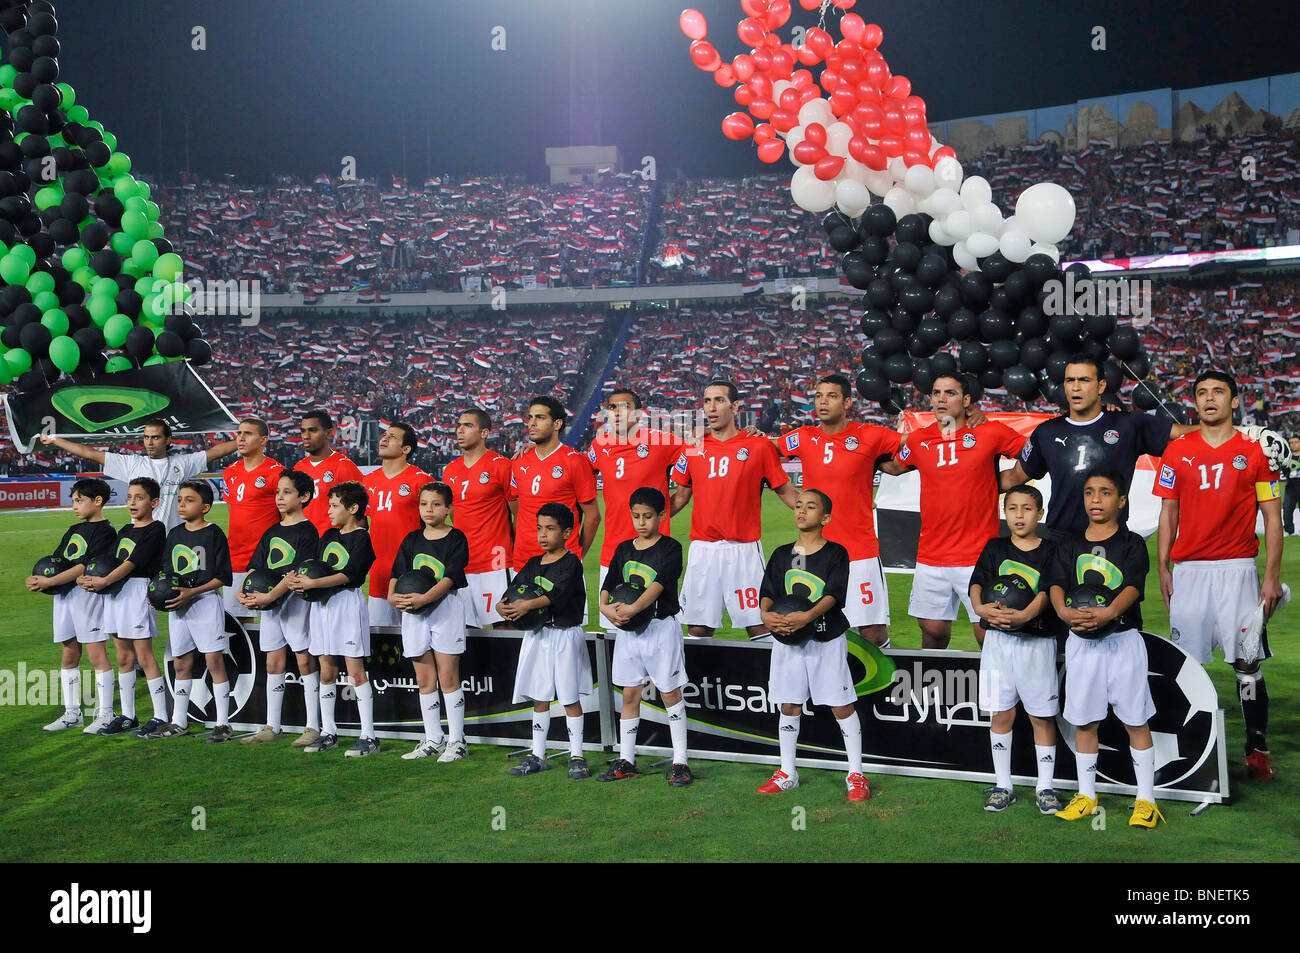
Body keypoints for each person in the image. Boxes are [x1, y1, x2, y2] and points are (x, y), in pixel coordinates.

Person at [1155, 371, 1284, 780]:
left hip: (1238, 572)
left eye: (1218, 392)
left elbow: (1273, 518)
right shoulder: (1176, 451)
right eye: (1202, 393)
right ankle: (1186, 751)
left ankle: (1256, 748)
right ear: (1195, 402)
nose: (1210, 399)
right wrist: (1163, 565)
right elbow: (1168, 512)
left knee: (1247, 663)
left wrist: (1270, 577)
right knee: (1183, 665)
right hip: (1189, 572)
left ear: (1233, 401)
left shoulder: (1254, 453)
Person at [1049, 467, 1162, 829]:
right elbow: (1055, 583)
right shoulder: (1069, 543)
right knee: (1084, 720)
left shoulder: (1132, 543)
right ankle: (1087, 794)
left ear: (1122, 499)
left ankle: (1146, 800)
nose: (1095, 500)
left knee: (1135, 720)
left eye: (1105, 493)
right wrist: (1065, 613)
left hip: (1123, 640)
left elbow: (1132, 586)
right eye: (1089, 492)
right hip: (1082, 643)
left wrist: (1109, 613)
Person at [883, 374, 1025, 649]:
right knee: (932, 630)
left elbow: (1032, 454)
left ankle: (995, 691)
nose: (941, 399)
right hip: (931, 555)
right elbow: (893, 467)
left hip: (979, 554)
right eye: (936, 393)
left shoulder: (990, 433)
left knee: (988, 633)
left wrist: (1003, 481)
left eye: (950, 393)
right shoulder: (919, 440)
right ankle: (932, 688)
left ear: (967, 400)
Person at [755, 489, 869, 803]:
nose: (802, 510)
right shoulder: (781, 554)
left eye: (811, 506)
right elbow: (768, 589)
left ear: (826, 517)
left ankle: (856, 774)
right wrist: (766, 615)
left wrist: (806, 616)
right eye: (799, 505)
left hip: (825, 639)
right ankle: (787, 772)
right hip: (787, 641)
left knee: (841, 705)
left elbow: (834, 594)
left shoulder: (836, 553)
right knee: (789, 704)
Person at [999, 355, 1192, 537]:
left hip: (1112, 542)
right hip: (1061, 543)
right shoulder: (1046, 432)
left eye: (1084, 380)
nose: (1075, 387)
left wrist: (1220, 425)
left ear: (1101, 386)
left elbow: (1182, 434)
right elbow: (1013, 477)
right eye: (1070, 380)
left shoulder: (1127, 424)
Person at [776, 374, 901, 647]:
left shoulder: (869, 435)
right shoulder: (803, 437)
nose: (823, 401)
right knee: (817, 630)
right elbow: (763, 451)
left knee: (872, 632)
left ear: (847, 402)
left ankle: (880, 688)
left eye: (831, 396)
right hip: (815, 554)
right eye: (819, 396)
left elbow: (913, 447)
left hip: (859, 552)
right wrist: (794, 498)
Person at [670, 380, 799, 639]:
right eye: (707, 401)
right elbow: (681, 497)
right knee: (697, 628)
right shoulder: (694, 447)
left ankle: (765, 680)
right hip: (703, 550)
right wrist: (649, 521)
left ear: (735, 406)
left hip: (744, 550)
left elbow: (786, 492)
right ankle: (699, 681)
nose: (711, 407)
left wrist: (820, 514)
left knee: (760, 624)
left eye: (719, 400)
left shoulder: (758, 446)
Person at [968, 484, 1064, 814]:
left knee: (1041, 715)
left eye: (1027, 508)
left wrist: (1024, 615)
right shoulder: (995, 547)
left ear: (1040, 514)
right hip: (998, 643)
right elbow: (977, 582)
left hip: (1036, 643)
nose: (1019, 515)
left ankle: (1046, 786)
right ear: (1004, 512)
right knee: (1002, 712)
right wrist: (980, 609)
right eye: (1012, 508)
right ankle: (1003, 784)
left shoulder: (1051, 550)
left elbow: (1048, 590)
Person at [597, 487, 693, 786]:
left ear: (662, 516)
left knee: (669, 692)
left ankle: (681, 761)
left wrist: (633, 608)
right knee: (629, 693)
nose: (641, 522)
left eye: (648, 516)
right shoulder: (624, 548)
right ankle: (627, 759)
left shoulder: (671, 548)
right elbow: (610, 581)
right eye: (636, 516)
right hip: (628, 631)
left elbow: (661, 583)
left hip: (660, 628)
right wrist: (604, 607)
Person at [500, 503, 593, 779]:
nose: (542, 534)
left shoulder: (571, 563)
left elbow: (558, 597)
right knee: (540, 696)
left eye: (549, 529)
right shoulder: (532, 564)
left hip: (564, 635)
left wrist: (527, 606)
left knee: (568, 697)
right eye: (539, 528)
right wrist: (502, 607)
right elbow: (512, 592)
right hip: (538, 636)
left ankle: (577, 755)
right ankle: (537, 754)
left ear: (567, 532)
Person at [289, 481, 378, 757]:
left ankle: (369, 736)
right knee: (326, 671)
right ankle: (329, 731)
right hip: (321, 606)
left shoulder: (362, 538)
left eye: (334, 505)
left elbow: (350, 574)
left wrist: (314, 584)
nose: (329, 511)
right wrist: (298, 579)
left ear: (353, 508)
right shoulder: (328, 535)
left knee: (355, 671)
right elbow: (313, 567)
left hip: (346, 605)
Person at [236, 470, 323, 747]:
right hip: (269, 603)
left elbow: (298, 571)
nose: (280, 497)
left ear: (305, 496)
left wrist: (270, 596)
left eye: (287, 492)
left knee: (304, 659)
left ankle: (312, 726)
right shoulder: (272, 530)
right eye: (278, 492)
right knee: (273, 661)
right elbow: (255, 566)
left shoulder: (308, 531)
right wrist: (243, 591)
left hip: (294, 601)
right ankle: (272, 725)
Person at [587, 388, 685, 633]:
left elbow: (699, 457)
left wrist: (662, 515)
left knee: (657, 626)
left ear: (639, 413)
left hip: (655, 551)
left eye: (625, 406)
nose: (617, 413)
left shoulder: (661, 441)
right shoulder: (599, 445)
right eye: (612, 407)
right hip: (613, 551)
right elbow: (574, 468)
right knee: (615, 629)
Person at [77, 477, 169, 737]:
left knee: (145, 656)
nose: (132, 502)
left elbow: (132, 562)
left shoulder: (156, 529)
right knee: (123, 656)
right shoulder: (125, 531)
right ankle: (129, 715)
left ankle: (161, 714)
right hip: (116, 594)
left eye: (139, 498)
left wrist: (104, 580)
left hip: (137, 592)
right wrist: (89, 576)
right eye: (129, 497)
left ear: (154, 502)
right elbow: (110, 560)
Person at [26, 477, 117, 733]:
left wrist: (51, 580)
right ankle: (72, 713)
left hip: (87, 596)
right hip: (64, 597)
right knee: (68, 654)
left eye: (80, 500)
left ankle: (106, 714)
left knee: (96, 654)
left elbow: (82, 567)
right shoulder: (73, 530)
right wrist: (39, 579)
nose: (74, 506)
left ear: (98, 501)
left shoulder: (106, 532)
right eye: (73, 500)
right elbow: (58, 560)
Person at [389, 481, 471, 763]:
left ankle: (457, 741)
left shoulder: (456, 538)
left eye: (436, 504)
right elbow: (397, 573)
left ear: (448, 508)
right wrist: (392, 597)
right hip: (413, 613)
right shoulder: (411, 539)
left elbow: (450, 579)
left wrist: (424, 599)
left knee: (448, 677)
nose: (429, 509)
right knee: (425, 680)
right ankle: (433, 738)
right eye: (424, 504)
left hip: (444, 610)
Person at [147, 481, 234, 742]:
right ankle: (179, 721)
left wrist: (192, 593)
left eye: (189, 500)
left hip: (205, 601)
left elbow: (222, 577)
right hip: (179, 607)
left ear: (205, 507)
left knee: (213, 662)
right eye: (180, 499)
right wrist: (158, 597)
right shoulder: (174, 534)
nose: (182, 504)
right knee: (181, 663)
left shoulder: (213, 534)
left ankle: (223, 724)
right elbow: (165, 573)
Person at [39, 420, 236, 530]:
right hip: (142, 539)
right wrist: (56, 440)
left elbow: (215, 452)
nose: (149, 442)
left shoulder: (182, 464)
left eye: (156, 437)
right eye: (146, 437)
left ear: (168, 440)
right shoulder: (132, 463)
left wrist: (243, 440)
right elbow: (90, 453)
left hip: (175, 540)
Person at [439, 408, 515, 628]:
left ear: (484, 433)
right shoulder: (450, 470)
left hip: (496, 561)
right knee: (467, 631)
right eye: (459, 425)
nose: (460, 430)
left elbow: (517, 513)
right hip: (463, 562)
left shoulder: (501, 465)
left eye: (468, 426)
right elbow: (453, 512)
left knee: (504, 627)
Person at [509, 396, 600, 578]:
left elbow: (593, 516)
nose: (532, 423)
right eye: (531, 417)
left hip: (562, 562)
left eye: (540, 418)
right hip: (523, 562)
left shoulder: (575, 461)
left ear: (557, 424)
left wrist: (577, 556)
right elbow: (518, 512)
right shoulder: (518, 461)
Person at [362, 422, 431, 628]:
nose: (384, 438)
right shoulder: (367, 481)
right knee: (381, 640)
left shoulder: (421, 480)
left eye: (392, 436)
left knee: (416, 638)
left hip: (412, 571)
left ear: (406, 449)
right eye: (384, 435)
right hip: (379, 572)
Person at [221, 417, 284, 617]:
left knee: (270, 622)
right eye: (239, 433)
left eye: (247, 434)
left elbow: (286, 518)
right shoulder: (230, 471)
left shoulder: (277, 472)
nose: (240, 438)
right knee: (236, 624)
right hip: (235, 558)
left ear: (263, 440)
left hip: (266, 560)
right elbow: (233, 510)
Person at [294, 410, 364, 537]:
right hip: (302, 545)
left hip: (332, 546)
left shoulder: (344, 467)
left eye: (313, 430)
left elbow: (360, 515)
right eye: (303, 431)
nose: (306, 436)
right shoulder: (298, 468)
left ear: (329, 433)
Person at [1281, 436, 1300, 535]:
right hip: (1291, 488)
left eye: (1296, 442)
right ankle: (1288, 530)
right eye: (1291, 442)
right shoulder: (1287, 457)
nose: (1293, 444)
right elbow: (1284, 473)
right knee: (1287, 510)